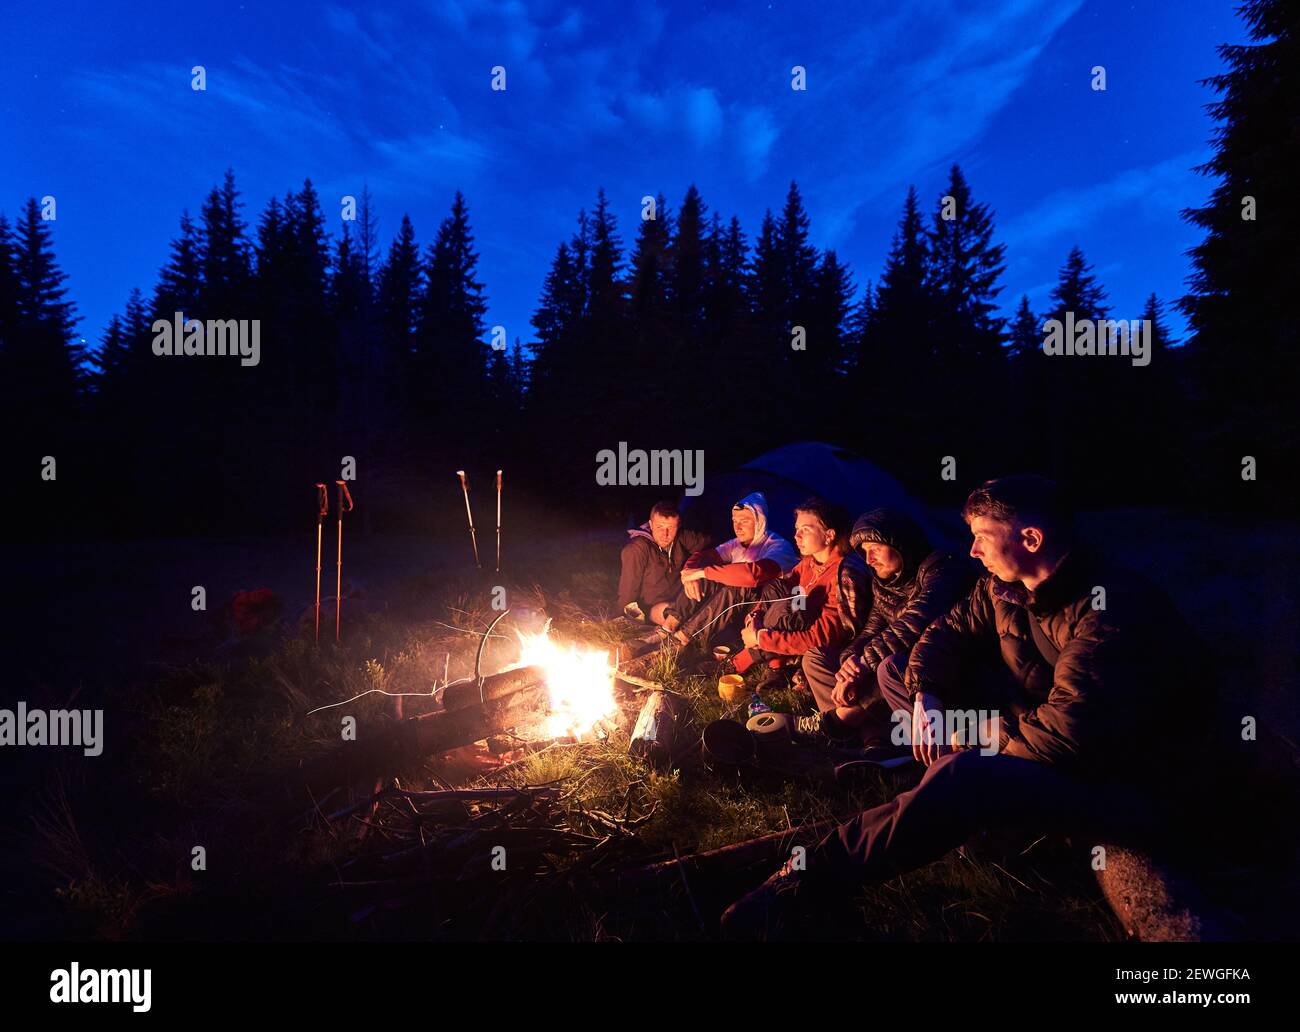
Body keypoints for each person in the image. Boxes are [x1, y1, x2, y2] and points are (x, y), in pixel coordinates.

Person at [722, 475, 1208, 939]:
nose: (971, 548)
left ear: (1032, 539)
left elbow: (1067, 735)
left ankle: (810, 880)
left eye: (981, 536)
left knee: (964, 778)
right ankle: (923, 790)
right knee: (928, 708)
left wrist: (975, 732)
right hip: (1046, 732)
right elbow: (944, 634)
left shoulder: (1108, 609)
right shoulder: (1004, 588)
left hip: (1127, 779)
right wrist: (929, 697)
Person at [798, 509, 974, 743]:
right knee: (815, 657)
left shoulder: (941, 568)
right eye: (864, 552)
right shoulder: (884, 584)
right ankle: (867, 736)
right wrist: (849, 662)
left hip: (938, 668)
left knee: (886, 666)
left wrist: (862, 663)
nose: (869, 560)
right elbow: (871, 630)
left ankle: (843, 722)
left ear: (899, 543)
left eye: (875, 549)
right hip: (888, 661)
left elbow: (916, 621)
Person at [730, 497, 852, 677]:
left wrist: (760, 638)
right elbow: (776, 591)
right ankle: (777, 662)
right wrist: (754, 618)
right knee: (776, 586)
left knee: (786, 606)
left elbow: (822, 636)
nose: (797, 536)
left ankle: (753, 660)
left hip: (820, 645)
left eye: (805, 530)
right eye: (797, 529)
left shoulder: (841, 575)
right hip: (796, 623)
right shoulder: (809, 563)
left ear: (829, 535)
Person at [671, 492, 798, 648]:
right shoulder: (736, 544)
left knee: (737, 584)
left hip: (763, 614)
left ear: (760, 522)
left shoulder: (779, 546)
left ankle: (681, 640)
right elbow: (703, 557)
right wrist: (689, 573)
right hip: (735, 609)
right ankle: (667, 627)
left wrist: (701, 572)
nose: (737, 527)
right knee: (704, 578)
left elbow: (753, 575)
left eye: (744, 521)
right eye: (734, 521)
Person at [617, 501, 711, 632]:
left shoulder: (682, 537)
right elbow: (628, 589)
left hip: (681, 597)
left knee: (704, 595)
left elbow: (711, 548)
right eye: (659, 527)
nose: (665, 534)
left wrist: (692, 572)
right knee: (674, 611)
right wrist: (620, 621)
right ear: (650, 524)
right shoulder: (637, 549)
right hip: (653, 607)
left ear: (678, 526)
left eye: (671, 528)